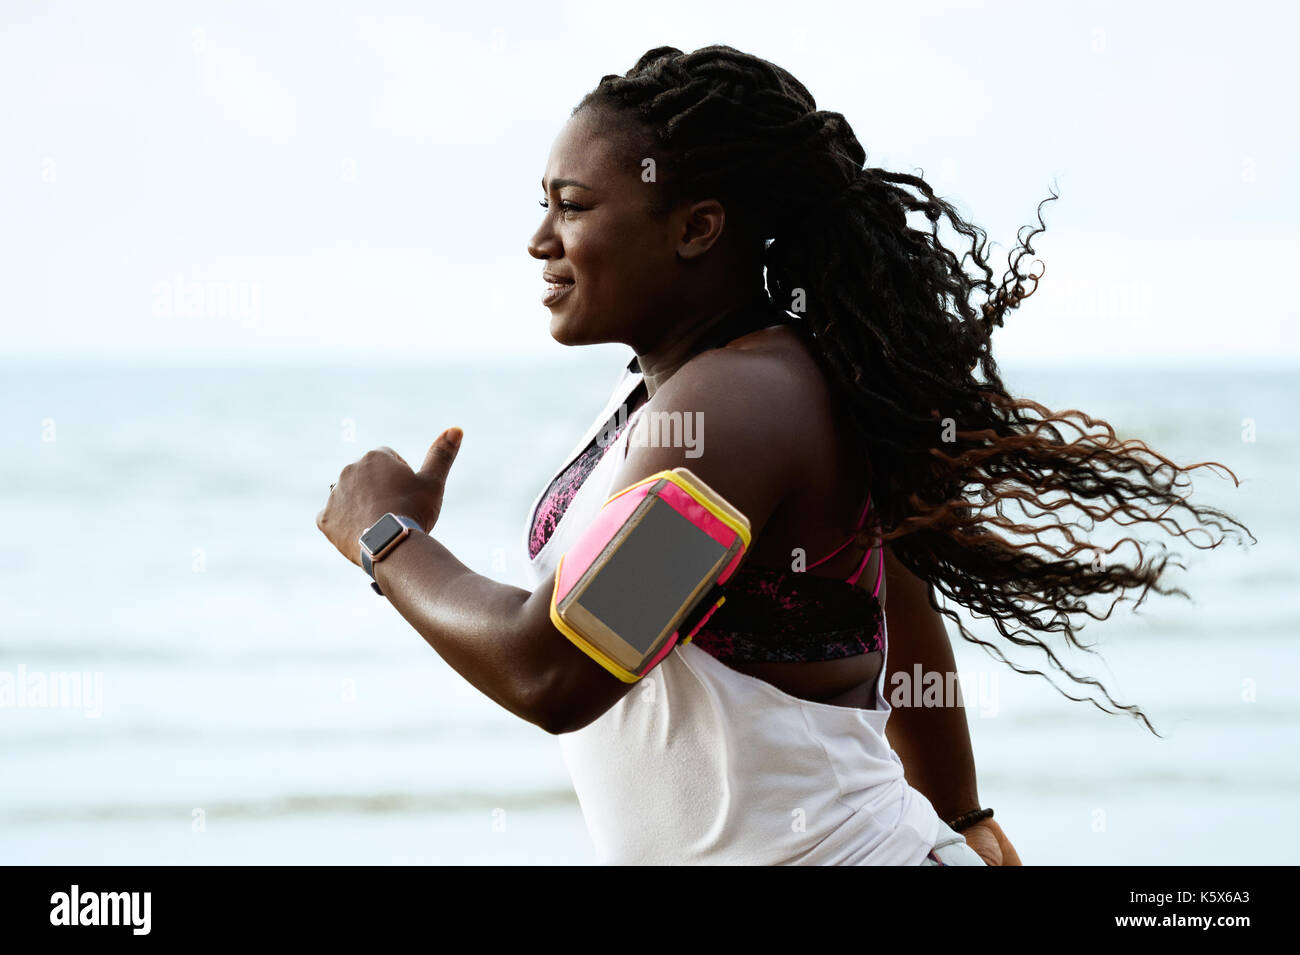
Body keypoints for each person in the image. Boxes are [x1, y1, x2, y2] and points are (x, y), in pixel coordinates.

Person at [317, 45, 1251, 865]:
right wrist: (962, 813)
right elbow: (902, 580)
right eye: (543, 205)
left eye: (573, 206)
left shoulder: (738, 409)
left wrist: (388, 539)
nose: (539, 240)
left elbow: (560, 669)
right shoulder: (696, 384)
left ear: (697, 227)